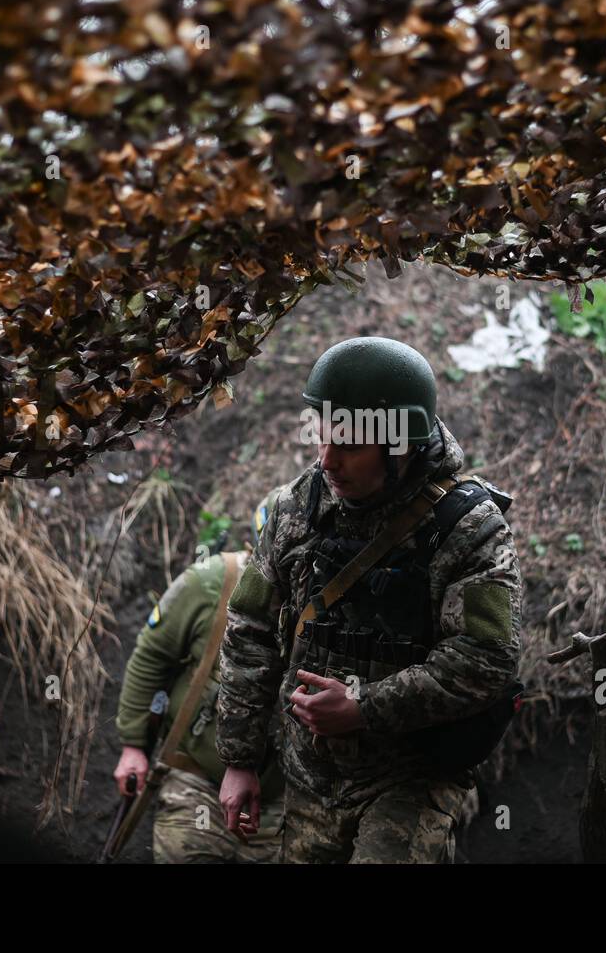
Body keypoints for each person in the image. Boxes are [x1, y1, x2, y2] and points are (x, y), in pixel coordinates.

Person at [216, 336, 524, 863]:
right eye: (322, 439)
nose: (327, 461)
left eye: (349, 446)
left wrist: (363, 708)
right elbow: (251, 631)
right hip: (310, 776)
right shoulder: (299, 508)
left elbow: (486, 660)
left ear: (399, 447)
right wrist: (240, 759)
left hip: (410, 778)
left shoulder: (467, 530)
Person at [113, 494, 285, 863]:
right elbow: (151, 656)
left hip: (282, 801)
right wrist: (132, 746)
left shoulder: (330, 609)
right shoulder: (211, 582)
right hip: (195, 780)